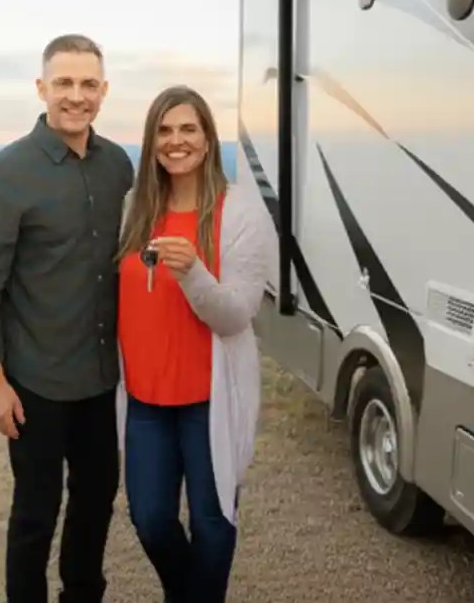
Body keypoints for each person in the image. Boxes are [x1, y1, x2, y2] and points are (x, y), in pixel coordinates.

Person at [0, 33, 134, 603]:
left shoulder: (118, 166)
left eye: (88, 84)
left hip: (101, 377)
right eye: (64, 83)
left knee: (95, 500)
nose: (76, 96)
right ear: (41, 88)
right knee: (36, 512)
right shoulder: (6, 173)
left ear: (104, 91)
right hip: (34, 379)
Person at [113, 85, 274, 602]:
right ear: (150, 140)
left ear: (207, 140)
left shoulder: (240, 213)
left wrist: (194, 274)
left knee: (212, 522)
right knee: (152, 520)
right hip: (145, 401)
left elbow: (236, 316)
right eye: (164, 130)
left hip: (209, 400)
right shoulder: (135, 206)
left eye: (188, 129)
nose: (175, 140)